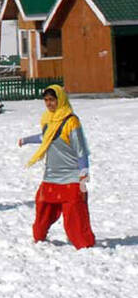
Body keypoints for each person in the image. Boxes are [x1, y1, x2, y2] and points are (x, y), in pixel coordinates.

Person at [18, 84, 94, 249]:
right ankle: (39, 238)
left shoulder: (71, 121)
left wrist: (83, 174)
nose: (49, 104)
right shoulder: (48, 119)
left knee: (75, 216)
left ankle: (84, 245)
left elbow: (81, 150)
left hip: (72, 177)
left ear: (60, 99)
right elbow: (45, 137)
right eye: (46, 100)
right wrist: (26, 140)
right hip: (51, 175)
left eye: (52, 100)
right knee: (42, 211)